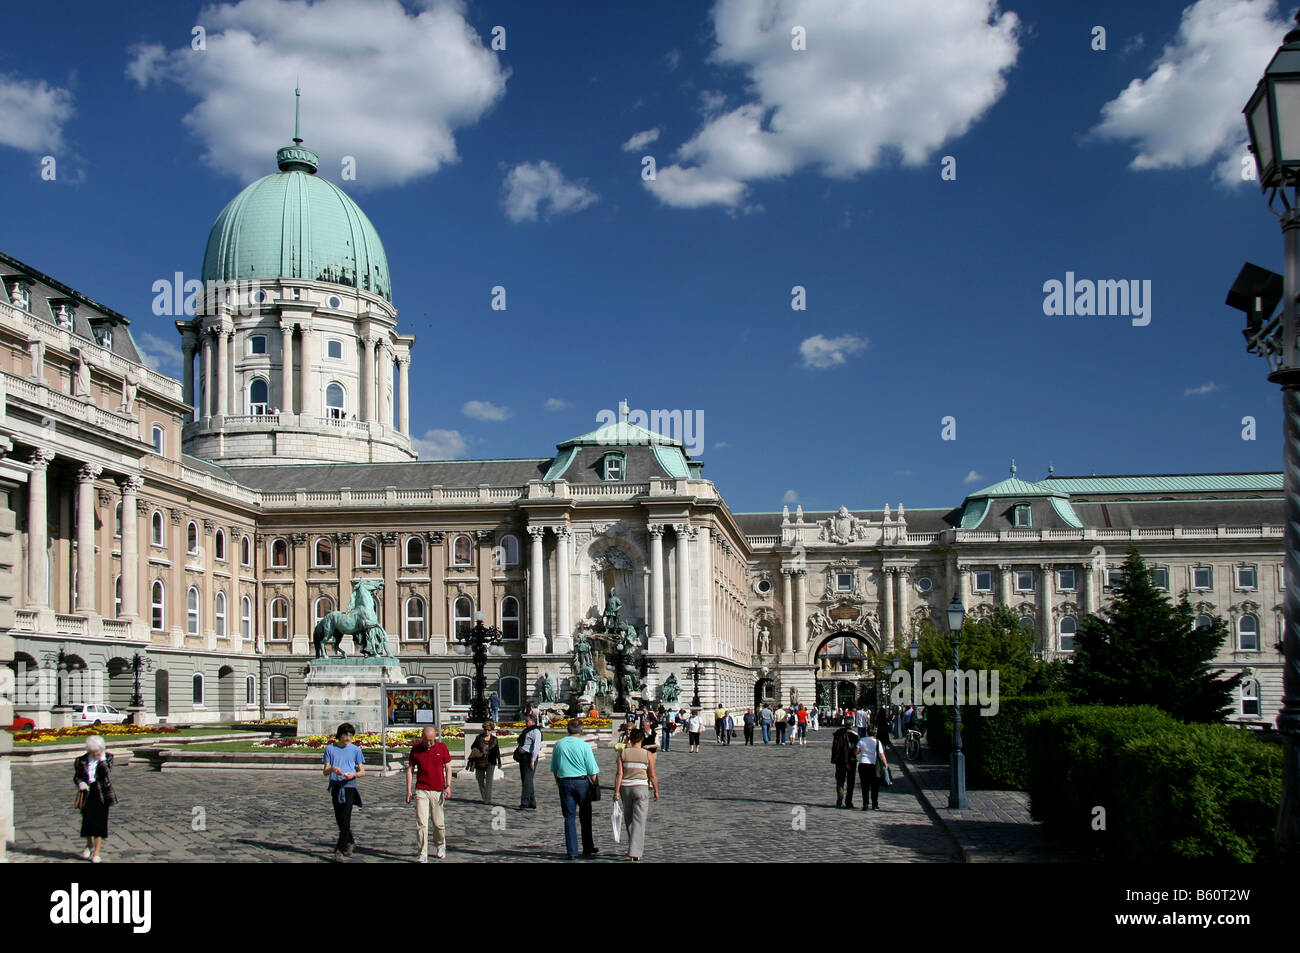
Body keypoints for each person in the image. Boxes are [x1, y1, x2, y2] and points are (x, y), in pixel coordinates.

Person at [552, 718, 601, 859]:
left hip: (565, 782)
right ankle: (587, 846)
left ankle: (572, 851)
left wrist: (559, 783)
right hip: (581, 783)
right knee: (585, 816)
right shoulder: (584, 746)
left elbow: (555, 768)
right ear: (581, 731)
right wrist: (596, 786)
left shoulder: (559, 745)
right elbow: (592, 770)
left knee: (569, 817)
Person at [406, 724, 453, 861]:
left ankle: (440, 844)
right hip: (422, 790)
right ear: (422, 737)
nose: (429, 743)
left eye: (431, 740)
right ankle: (422, 854)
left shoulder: (442, 748)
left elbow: (448, 767)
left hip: (438, 790)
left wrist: (448, 786)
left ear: (435, 737)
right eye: (426, 740)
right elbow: (410, 770)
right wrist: (408, 790)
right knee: (422, 823)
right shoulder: (416, 749)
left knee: (438, 823)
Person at [613, 728, 660, 861]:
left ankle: (632, 846)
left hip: (626, 788)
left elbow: (619, 774)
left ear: (631, 739)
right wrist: (656, 790)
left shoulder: (623, 753)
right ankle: (634, 852)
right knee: (639, 820)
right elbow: (652, 775)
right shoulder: (647, 754)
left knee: (629, 819)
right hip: (641, 787)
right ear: (642, 740)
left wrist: (616, 791)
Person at [322, 722, 366, 861]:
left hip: (349, 786)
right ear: (339, 735)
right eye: (345, 735)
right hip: (336, 786)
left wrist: (354, 774)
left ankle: (339, 849)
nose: (348, 738)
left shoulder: (356, 750)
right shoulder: (330, 749)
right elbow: (325, 771)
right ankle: (350, 841)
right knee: (340, 819)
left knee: (346, 817)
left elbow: (362, 771)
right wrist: (333, 769)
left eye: (350, 735)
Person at [74, 735, 118, 863]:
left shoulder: (108, 758)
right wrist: (81, 783)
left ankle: (97, 852)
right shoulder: (81, 760)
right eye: (93, 752)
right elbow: (77, 776)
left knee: (100, 822)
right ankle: (89, 844)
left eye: (97, 751)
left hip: (102, 793)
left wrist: (101, 760)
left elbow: (106, 773)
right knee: (87, 820)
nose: (95, 754)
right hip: (87, 793)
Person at [468, 721, 502, 803]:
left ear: (491, 730)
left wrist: (499, 761)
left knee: (489, 780)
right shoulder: (479, 738)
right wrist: (477, 752)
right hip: (480, 761)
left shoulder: (494, 739)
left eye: (489, 730)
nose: (487, 731)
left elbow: (497, 750)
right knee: (480, 779)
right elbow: (473, 747)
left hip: (491, 761)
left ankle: (488, 799)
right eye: (485, 729)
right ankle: (484, 796)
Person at [856, 725, 888, 810]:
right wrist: (886, 764)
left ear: (867, 732)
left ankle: (865, 804)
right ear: (875, 733)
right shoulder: (877, 742)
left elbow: (856, 752)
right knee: (875, 785)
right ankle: (875, 803)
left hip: (863, 763)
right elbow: (881, 755)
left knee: (864, 785)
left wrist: (861, 750)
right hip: (873, 764)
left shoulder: (862, 740)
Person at [515, 713, 543, 810]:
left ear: (532, 721)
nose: (525, 723)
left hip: (529, 757)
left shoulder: (536, 731)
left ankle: (525, 802)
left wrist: (532, 760)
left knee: (527, 779)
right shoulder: (527, 730)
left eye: (527, 721)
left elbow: (536, 747)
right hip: (523, 757)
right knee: (526, 779)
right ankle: (531, 801)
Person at [830, 723, 859, 808]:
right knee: (850, 782)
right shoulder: (855, 735)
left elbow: (834, 747)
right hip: (851, 760)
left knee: (840, 780)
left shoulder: (838, 734)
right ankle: (848, 801)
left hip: (840, 760)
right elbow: (856, 748)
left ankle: (839, 799)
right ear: (852, 725)